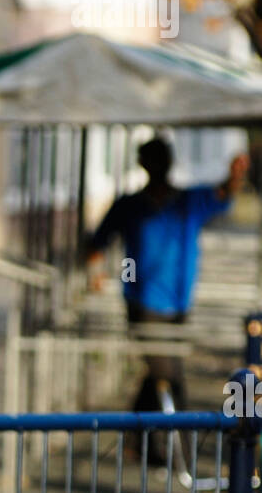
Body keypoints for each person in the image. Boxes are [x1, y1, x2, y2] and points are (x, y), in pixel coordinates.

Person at [87, 137, 249, 416]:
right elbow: (98, 242)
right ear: (143, 164)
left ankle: (136, 437)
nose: (158, 166)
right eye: (152, 159)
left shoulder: (187, 201)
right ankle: (180, 447)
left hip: (179, 302)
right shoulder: (131, 204)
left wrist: (235, 176)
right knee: (169, 375)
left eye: (162, 159)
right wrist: (96, 272)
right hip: (142, 302)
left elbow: (222, 194)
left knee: (159, 371)